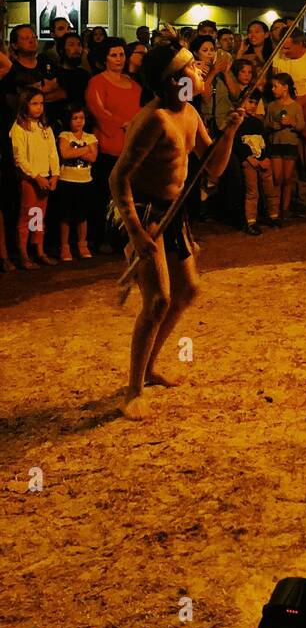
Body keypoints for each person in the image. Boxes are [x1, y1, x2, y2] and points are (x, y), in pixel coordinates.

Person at [109, 38, 244, 419]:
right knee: (158, 301)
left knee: (188, 291)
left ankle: (150, 369)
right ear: (173, 81)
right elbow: (118, 179)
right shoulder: (155, 120)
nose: (200, 70)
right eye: (191, 67)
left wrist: (230, 131)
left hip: (174, 210)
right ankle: (133, 391)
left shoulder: (189, 114)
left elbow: (213, 167)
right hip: (144, 212)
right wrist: (136, 232)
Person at [85, 37, 143, 250]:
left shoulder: (134, 84)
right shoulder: (97, 82)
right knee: (106, 195)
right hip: (109, 146)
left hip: (131, 147)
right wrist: (123, 123)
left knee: (128, 197)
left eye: (121, 54)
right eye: (114, 55)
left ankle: (125, 238)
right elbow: (98, 111)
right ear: (105, 59)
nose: (119, 59)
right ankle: (103, 238)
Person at [275, 30, 306, 216]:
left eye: (288, 46)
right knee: (287, 153)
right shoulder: (279, 57)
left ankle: (303, 200)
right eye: (282, 45)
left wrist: (296, 105)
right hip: (282, 110)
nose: (284, 49)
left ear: (300, 44)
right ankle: (285, 202)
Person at [10, 86, 60, 268]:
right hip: (30, 180)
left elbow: (52, 152)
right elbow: (20, 158)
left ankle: (38, 251)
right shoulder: (19, 128)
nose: (39, 108)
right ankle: (23, 254)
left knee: (38, 215)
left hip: (45, 178)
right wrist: (36, 176)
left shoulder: (44, 127)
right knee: (27, 216)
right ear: (25, 105)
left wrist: (55, 174)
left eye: (41, 103)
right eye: (34, 104)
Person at [56, 104, 97, 259]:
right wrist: (85, 149)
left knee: (82, 216)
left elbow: (93, 157)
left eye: (81, 118)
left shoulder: (90, 137)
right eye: (75, 118)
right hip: (67, 180)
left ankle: (82, 244)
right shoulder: (65, 135)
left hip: (85, 181)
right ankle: (65, 247)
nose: (79, 121)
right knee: (65, 216)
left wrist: (76, 152)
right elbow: (65, 154)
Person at [234, 92, 279, 234]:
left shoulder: (257, 123)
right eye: (250, 102)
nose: (252, 106)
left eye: (255, 103)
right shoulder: (237, 123)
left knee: (270, 190)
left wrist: (266, 157)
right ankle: (251, 221)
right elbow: (237, 144)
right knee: (252, 192)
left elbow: (265, 141)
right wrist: (248, 158)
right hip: (249, 163)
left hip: (263, 161)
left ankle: (273, 216)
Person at [0, 24, 62, 121]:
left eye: (34, 37)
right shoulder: (13, 70)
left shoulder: (45, 61)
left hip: (50, 122)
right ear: (14, 45)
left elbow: (62, 93)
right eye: (26, 38)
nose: (32, 40)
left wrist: (32, 91)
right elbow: (15, 102)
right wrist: (47, 89)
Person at [266, 72, 305, 218]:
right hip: (276, 143)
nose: (273, 89)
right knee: (277, 178)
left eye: (275, 86)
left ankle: (285, 208)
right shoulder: (271, 106)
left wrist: (291, 123)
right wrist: (275, 125)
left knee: (288, 178)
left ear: (285, 88)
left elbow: (302, 125)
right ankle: (275, 209)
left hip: (290, 143)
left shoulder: (296, 106)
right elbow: (266, 123)